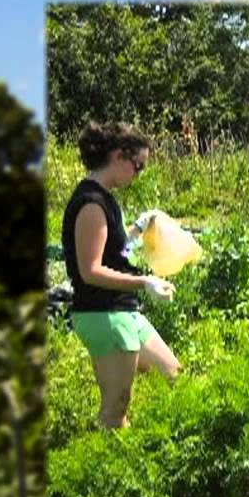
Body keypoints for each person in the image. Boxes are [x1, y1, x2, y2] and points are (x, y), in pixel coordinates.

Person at [61, 121, 181, 429]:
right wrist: (144, 282)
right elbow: (91, 271)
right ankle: (106, 466)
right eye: (138, 166)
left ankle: (136, 441)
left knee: (171, 372)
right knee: (115, 412)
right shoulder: (90, 204)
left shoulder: (105, 198)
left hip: (122, 308)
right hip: (103, 312)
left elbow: (112, 248)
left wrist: (137, 229)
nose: (139, 174)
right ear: (118, 157)